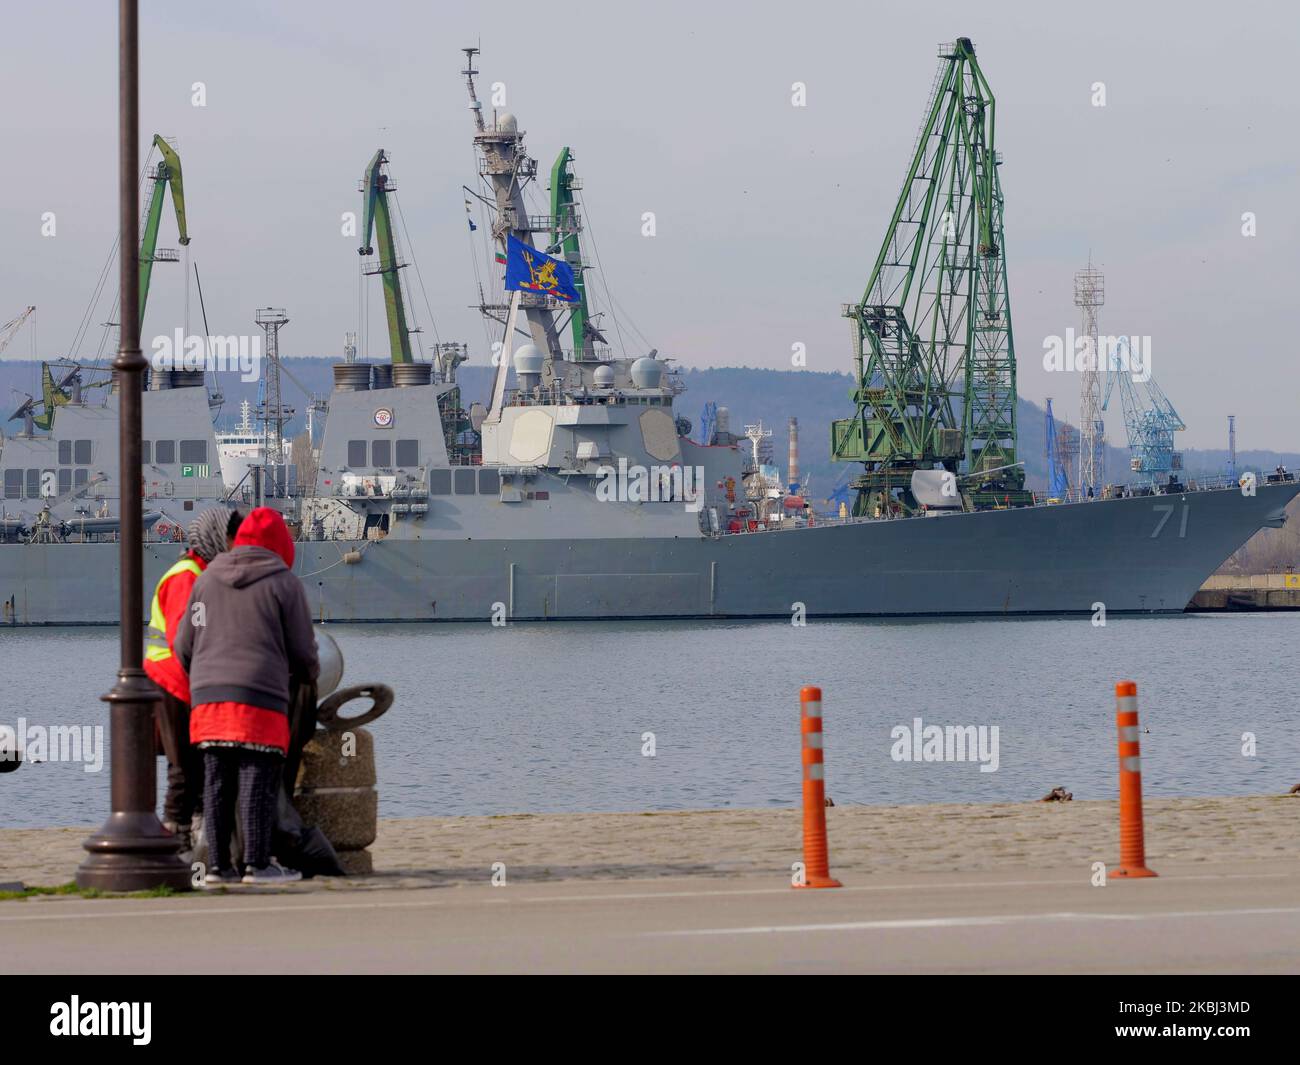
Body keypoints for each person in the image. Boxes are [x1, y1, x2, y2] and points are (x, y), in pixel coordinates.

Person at [174, 506, 319, 886]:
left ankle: (219, 869)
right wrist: (306, 679)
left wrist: (203, 680)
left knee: (217, 781)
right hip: (260, 696)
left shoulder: (205, 581)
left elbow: (184, 644)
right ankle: (257, 864)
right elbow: (304, 650)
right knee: (257, 776)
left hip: (208, 701)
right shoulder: (284, 584)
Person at [143, 507, 242, 858]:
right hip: (173, 684)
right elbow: (183, 639)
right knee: (185, 768)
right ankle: (178, 843)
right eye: (231, 536)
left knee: (191, 766)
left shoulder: (201, 573)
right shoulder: (187, 577)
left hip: (183, 683)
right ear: (215, 537)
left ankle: (190, 843)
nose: (235, 543)